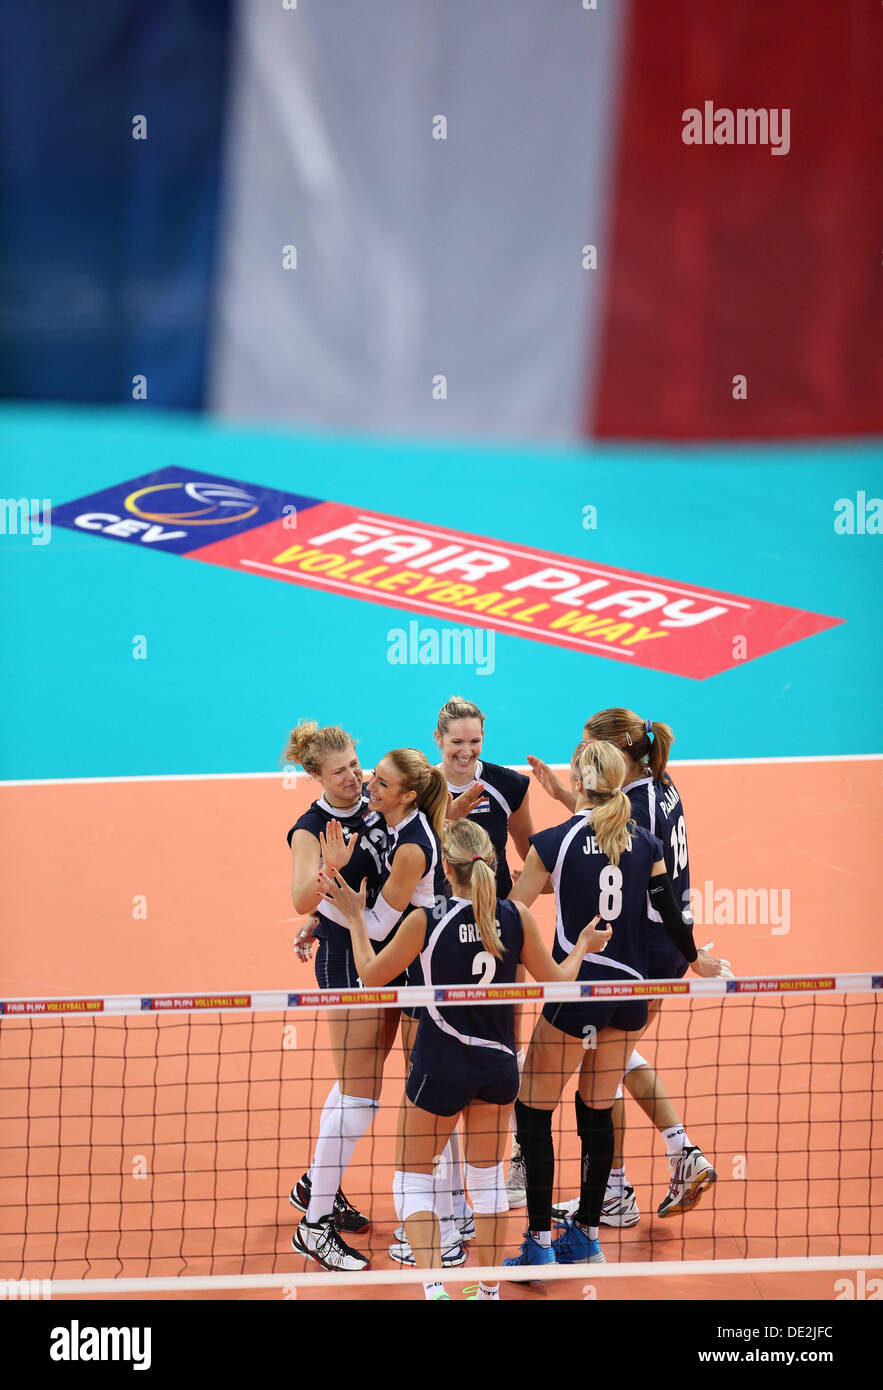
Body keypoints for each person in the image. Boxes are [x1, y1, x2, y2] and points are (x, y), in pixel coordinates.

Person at [320, 817, 611, 1300]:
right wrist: (581, 944)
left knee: (412, 1179)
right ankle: (488, 1292)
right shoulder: (517, 916)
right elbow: (559, 984)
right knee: (488, 1184)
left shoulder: (426, 920)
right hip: (498, 1070)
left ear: (445, 869)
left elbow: (370, 977)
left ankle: (436, 1291)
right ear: (492, 864)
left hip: (439, 1067)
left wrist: (354, 915)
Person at [503, 740, 723, 1270]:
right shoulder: (644, 841)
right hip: (630, 995)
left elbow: (511, 915)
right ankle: (586, 1236)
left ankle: (537, 1243)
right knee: (596, 1108)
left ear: (578, 782)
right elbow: (671, 913)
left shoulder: (551, 841)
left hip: (577, 991)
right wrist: (696, 961)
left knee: (533, 1110)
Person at [284, 720, 392, 1273]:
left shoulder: (376, 795)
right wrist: (333, 869)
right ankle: (314, 1226)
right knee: (361, 1093)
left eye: (355, 763)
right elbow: (303, 895)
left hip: (388, 951)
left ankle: (314, 1184)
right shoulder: (311, 826)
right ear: (314, 776)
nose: (354, 776)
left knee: (362, 1082)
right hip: (347, 961)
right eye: (340, 771)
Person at [433, 695, 536, 1211]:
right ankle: (452, 1194)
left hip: (494, 941)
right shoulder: (420, 788)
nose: (466, 752)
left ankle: (510, 1161)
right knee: (440, 1052)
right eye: (457, 743)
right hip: (435, 938)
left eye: (475, 742)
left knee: (501, 1047)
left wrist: (508, 919)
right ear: (439, 741)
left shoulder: (507, 785)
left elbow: (535, 854)